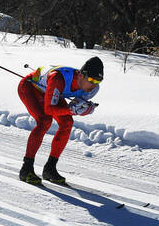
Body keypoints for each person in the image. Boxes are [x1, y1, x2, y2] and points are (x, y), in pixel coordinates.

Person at [17, 56, 103, 185]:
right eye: (91, 79)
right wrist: (72, 110)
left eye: (98, 81)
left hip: (52, 92)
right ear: (80, 75)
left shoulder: (93, 88)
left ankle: (50, 168)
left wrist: (85, 109)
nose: (94, 84)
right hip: (30, 87)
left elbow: (77, 104)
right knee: (44, 121)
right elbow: (49, 109)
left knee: (67, 123)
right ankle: (26, 168)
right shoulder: (59, 79)